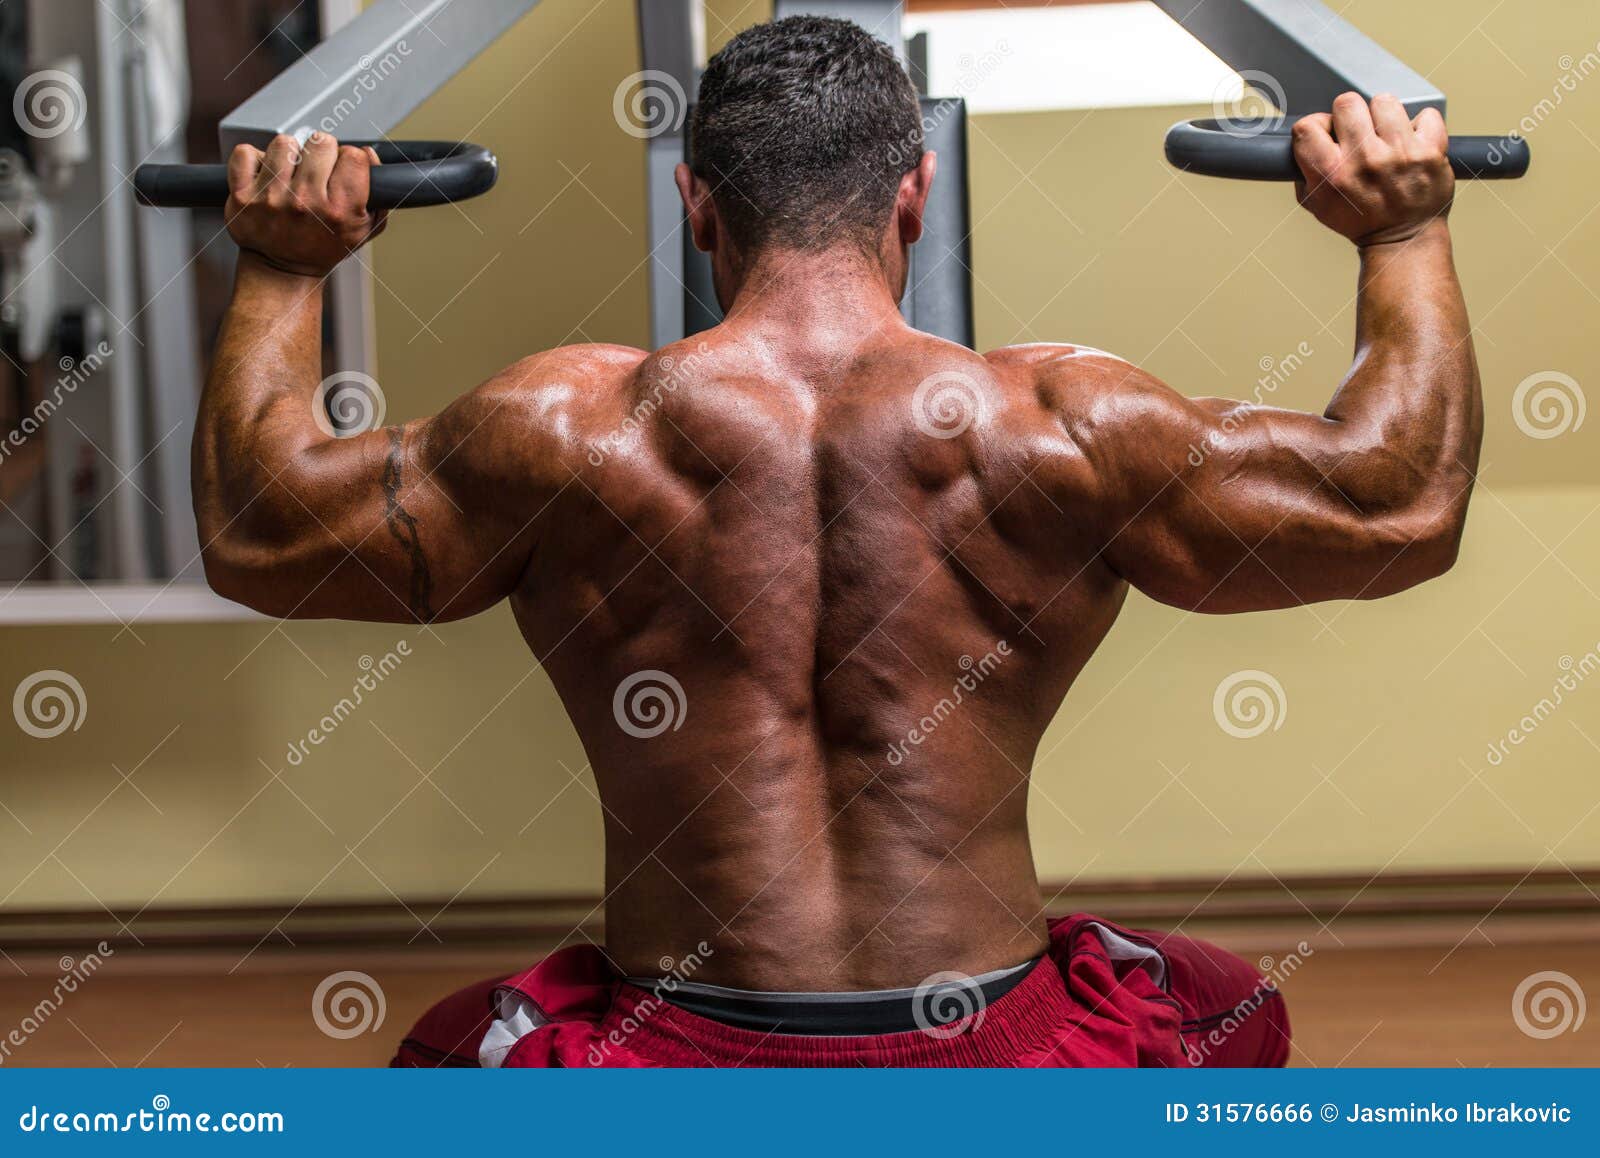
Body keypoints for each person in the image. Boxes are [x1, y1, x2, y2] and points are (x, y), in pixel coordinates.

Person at [196, 16, 1478, 1067]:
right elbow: (1398, 505)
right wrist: (1402, 234)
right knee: (1217, 1013)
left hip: (670, 1049)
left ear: (696, 202)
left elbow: (261, 535)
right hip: (991, 1047)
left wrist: (283, 265)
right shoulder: (1060, 426)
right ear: (914, 190)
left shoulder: (562, 428)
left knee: (447, 1067)